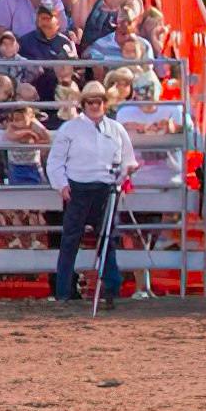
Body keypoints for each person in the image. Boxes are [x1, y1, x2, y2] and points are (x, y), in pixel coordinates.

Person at [43, 78, 134, 310]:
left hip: (106, 190)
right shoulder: (69, 129)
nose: (95, 106)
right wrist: (62, 186)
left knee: (107, 241)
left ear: (105, 103)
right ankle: (63, 291)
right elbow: (55, 161)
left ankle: (112, 290)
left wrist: (123, 176)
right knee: (70, 241)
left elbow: (128, 160)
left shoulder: (117, 130)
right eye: (91, 102)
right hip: (78, 190)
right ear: (84, 104)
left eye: (99, 101)